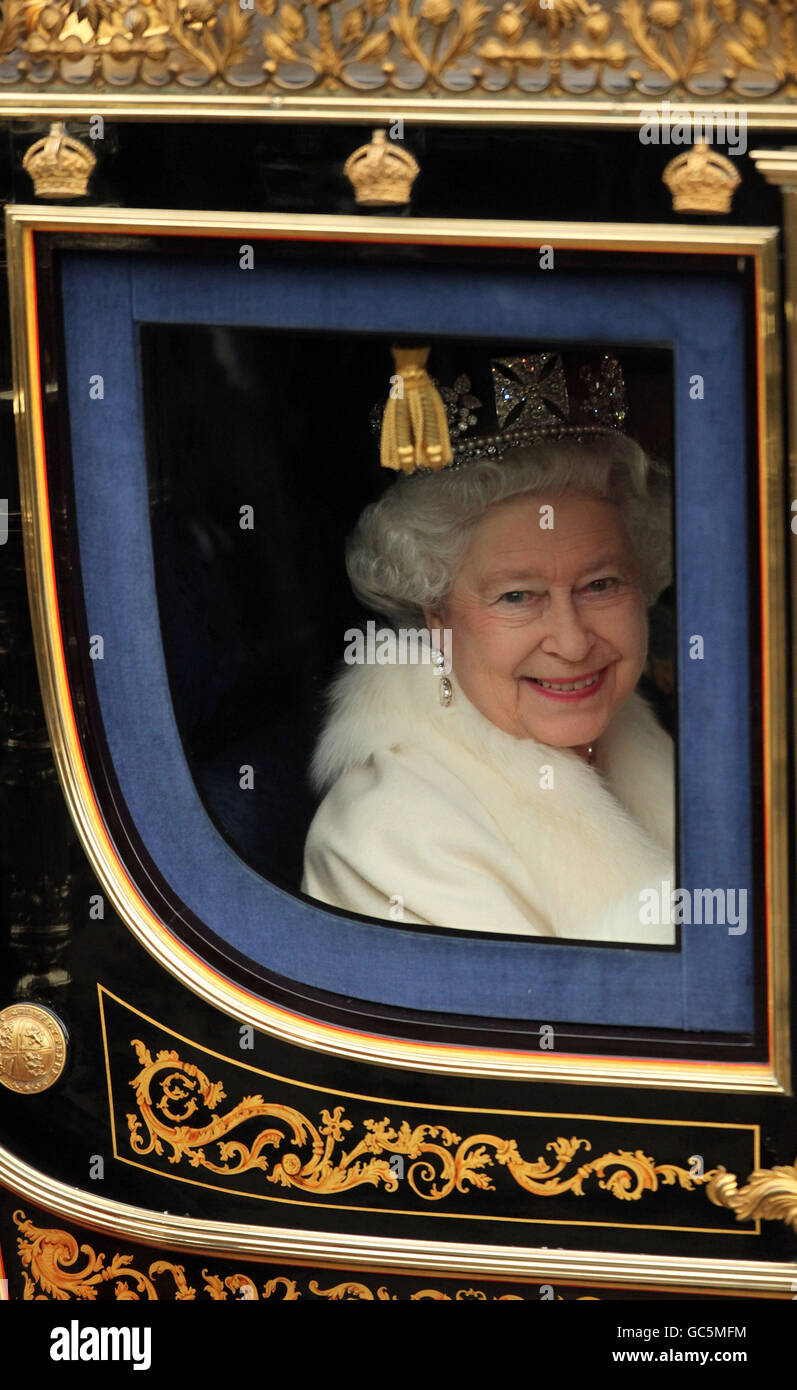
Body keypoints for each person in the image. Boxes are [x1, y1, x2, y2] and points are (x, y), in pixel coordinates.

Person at [301, 348, 675, 943]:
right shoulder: (389, 833)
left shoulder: (654, 743)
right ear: (437, 614)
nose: (574, 643)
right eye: (517, 597)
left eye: (600, 585)